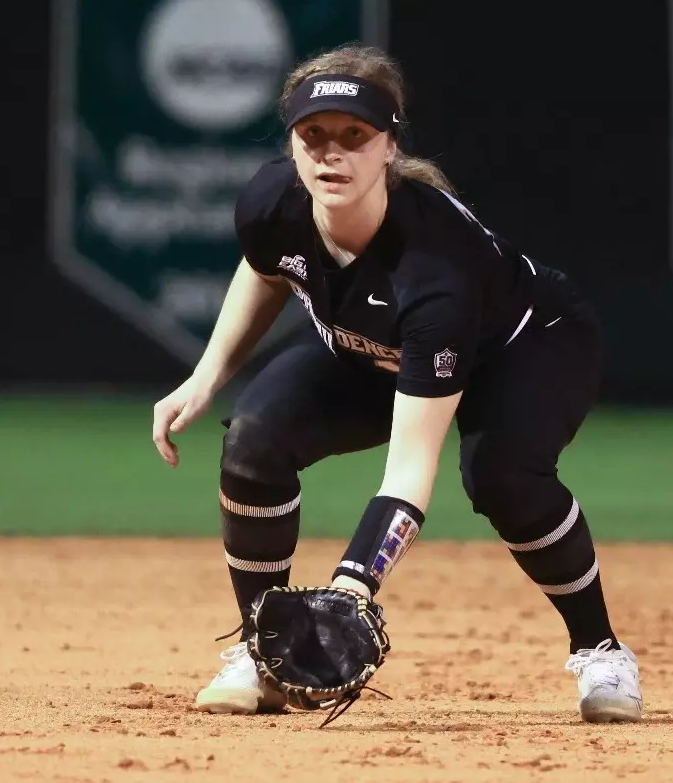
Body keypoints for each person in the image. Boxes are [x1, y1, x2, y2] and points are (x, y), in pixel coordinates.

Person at [151, 43, 642, 724]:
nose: (331, 153)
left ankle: (601, 651)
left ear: (389, 146)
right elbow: (266, 268)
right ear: (291, 143)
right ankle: (264, 653)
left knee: (501, 476)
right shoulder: (270, 201)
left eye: (354, 136)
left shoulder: (432, 269)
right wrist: (206, 376)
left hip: (523, 345)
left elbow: (410, 468)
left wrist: (353, 586)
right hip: (373, 349)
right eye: (313, 134)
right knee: (254, 440)